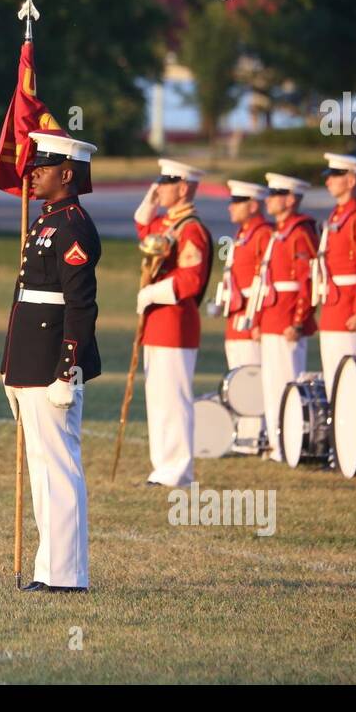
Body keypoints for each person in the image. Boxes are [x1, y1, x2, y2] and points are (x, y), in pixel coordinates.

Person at [1, 132, 100, 593]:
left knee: (58, 466)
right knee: (42, 466)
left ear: (68, 173)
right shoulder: (47, 221)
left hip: (53, 365)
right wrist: (10, 367)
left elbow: (80, 305)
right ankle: (50, 569)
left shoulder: (73, 225)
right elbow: (26, 300)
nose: (32, 173)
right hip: (30, 362)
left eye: (42, 167)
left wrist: (68, 370)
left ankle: (66, 574)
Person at [133, 159, 214, 487]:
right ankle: (163, 466)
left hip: (175, 321)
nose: (159, 187)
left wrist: (154, 291)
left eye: (165, 183)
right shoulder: (170, 223)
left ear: (182, 188)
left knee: (173, 399)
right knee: (158, 398)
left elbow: (191, 280)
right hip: (159, 322)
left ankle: (178, 469)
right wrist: (150, 200)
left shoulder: (190, 228)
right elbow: (143, 230)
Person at [248, 173, 317, 463]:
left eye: (276, 194)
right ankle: (279, 444)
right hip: (273, 317)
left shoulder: (300, 232)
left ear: (290, 199)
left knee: (288, 382)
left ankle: (292, 443)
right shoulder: (280, 232)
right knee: (273, 384)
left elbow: (308, 279)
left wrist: (299, 320)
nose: (270, 200)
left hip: (288, 317)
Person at [315, 153, 356, 397]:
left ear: (351, 181)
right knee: (334, 382)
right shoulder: (338, 215)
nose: (328, 182)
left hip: (348, 308)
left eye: (335, 176)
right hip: (334, 306)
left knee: (351, 383)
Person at [217, 180, 273, 368]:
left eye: (237, 201)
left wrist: (258, 322)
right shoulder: (242, 235)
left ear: (253, 205)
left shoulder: (263, 234)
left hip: (251, 323)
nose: (230, 208)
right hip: (236, 321)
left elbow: (266, 281)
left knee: (252, 380)